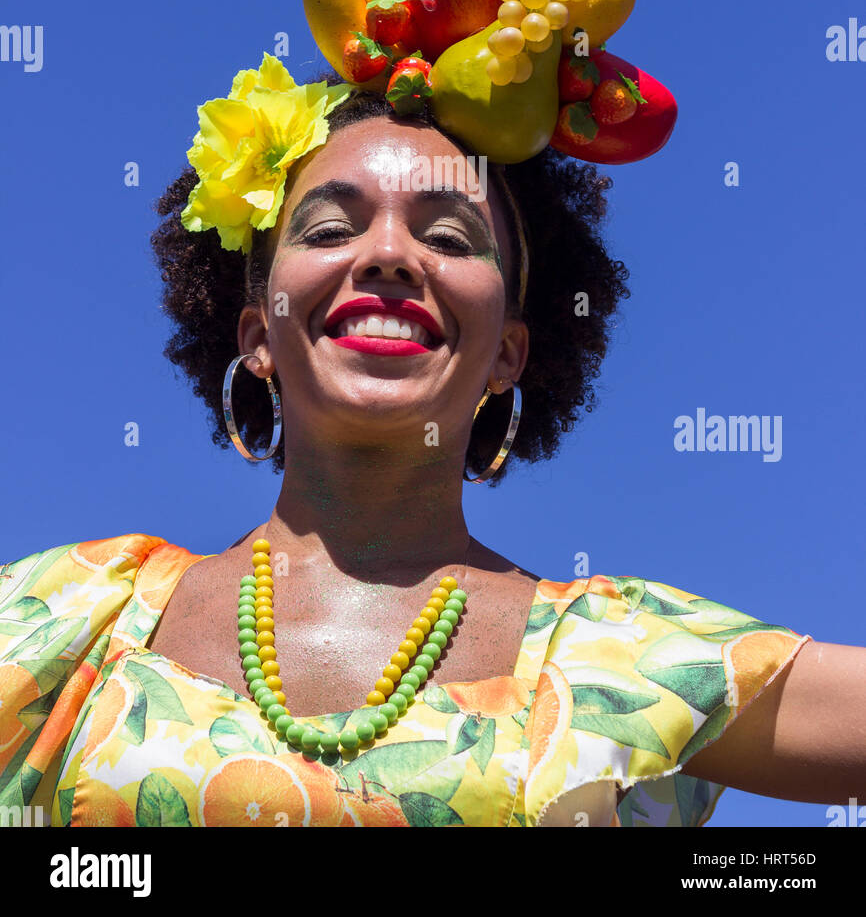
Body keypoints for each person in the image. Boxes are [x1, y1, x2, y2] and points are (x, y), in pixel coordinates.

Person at [1, 79, 863, 828]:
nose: (388, 256)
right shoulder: (73, 617)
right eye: (331, 227)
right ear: (259, 334)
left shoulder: (615, 661)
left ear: (507, 354)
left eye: (449, 239)